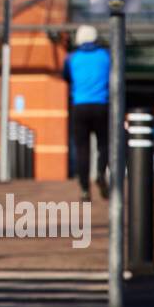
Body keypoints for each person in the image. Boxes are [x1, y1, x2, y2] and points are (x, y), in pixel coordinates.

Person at [63, 25, 110, 202]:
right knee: (104, 144)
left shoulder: (72, 58)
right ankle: (100, 172)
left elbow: (66, 77)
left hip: (80, 106)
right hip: (101, 105)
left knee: (82, 149)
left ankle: (84, 188)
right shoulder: (105, 56)